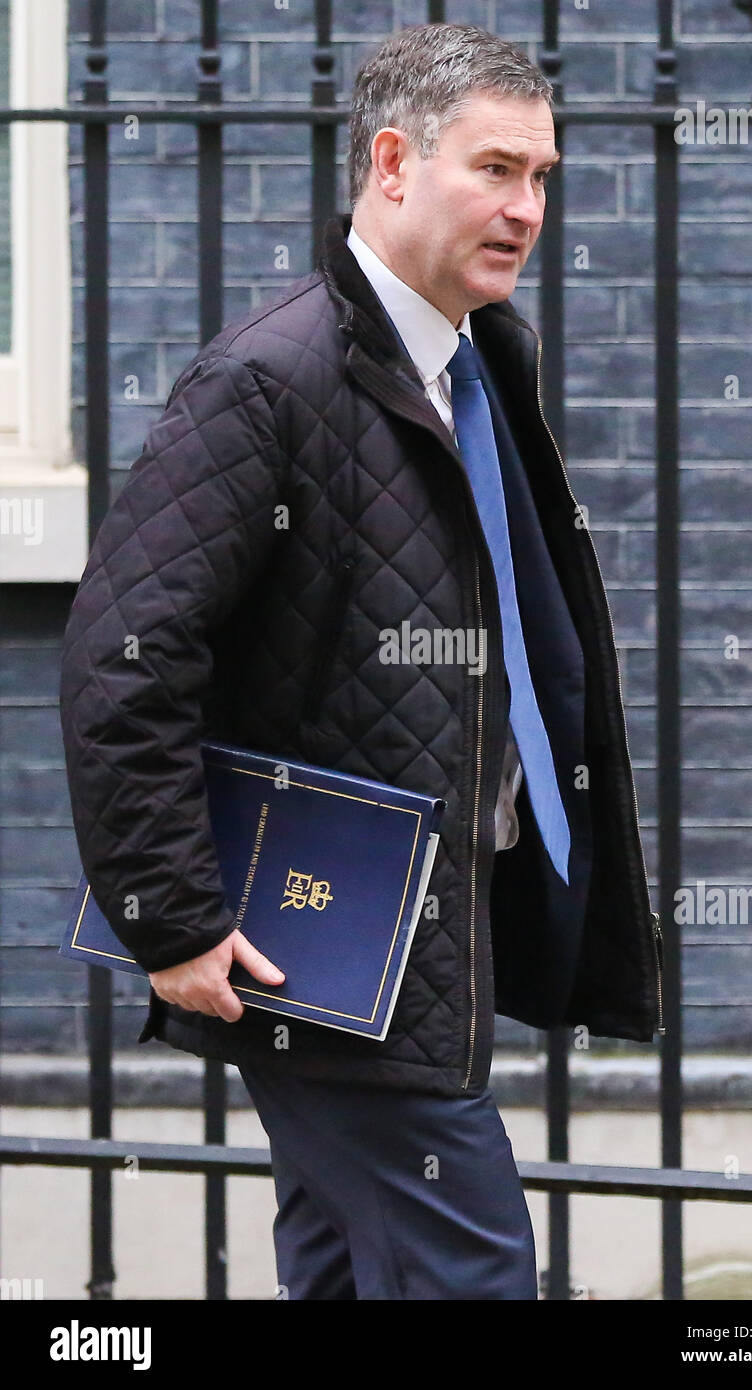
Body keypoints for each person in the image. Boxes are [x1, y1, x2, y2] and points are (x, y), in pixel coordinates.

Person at [59, 22, 662, 1301]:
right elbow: (125, 655)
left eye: (540, 177)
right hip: (323, 943)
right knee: (473, 1268)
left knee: (344, 1270)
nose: (525, 208)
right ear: (391, 162)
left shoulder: (476, 362)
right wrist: (171, 915)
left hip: (424, 927)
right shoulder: (267, 383)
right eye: (494, 170)